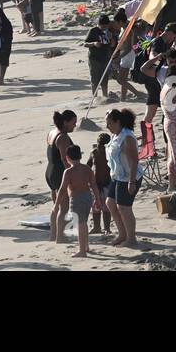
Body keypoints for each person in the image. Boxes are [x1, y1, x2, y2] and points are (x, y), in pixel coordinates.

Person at [57, 145, 101, 258]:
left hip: (76, 199)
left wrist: (56, 204)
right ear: (80, 156)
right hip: (88, 197)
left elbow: (62, 189)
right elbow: (94, 185)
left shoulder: (68, 172)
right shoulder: (87, 168)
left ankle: (82, 251)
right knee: (84, 222)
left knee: (80, 224)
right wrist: (97, 199)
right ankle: (86, 246)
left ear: (67, 158)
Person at [103, 108, 138, 246]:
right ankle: (122, 234)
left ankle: (131, 239)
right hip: (117, 176)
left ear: (118, 122)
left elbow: (135, 161)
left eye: (109, 123)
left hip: (129, 177)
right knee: (110, 203)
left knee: (124, 207)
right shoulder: (116, 135)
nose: (107, 126)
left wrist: (132, 182)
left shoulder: (127, 137)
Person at [46, 110, 77, 238]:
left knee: (56, 206)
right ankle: (60, 237)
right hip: (60, 173)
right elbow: (65, 159)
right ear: (65, 122)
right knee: (63, 208)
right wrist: (73, 176)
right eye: (73, 123)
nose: (75, 125)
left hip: (50, 171)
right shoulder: (63, 137)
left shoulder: (52, 132)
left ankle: (54, 235)